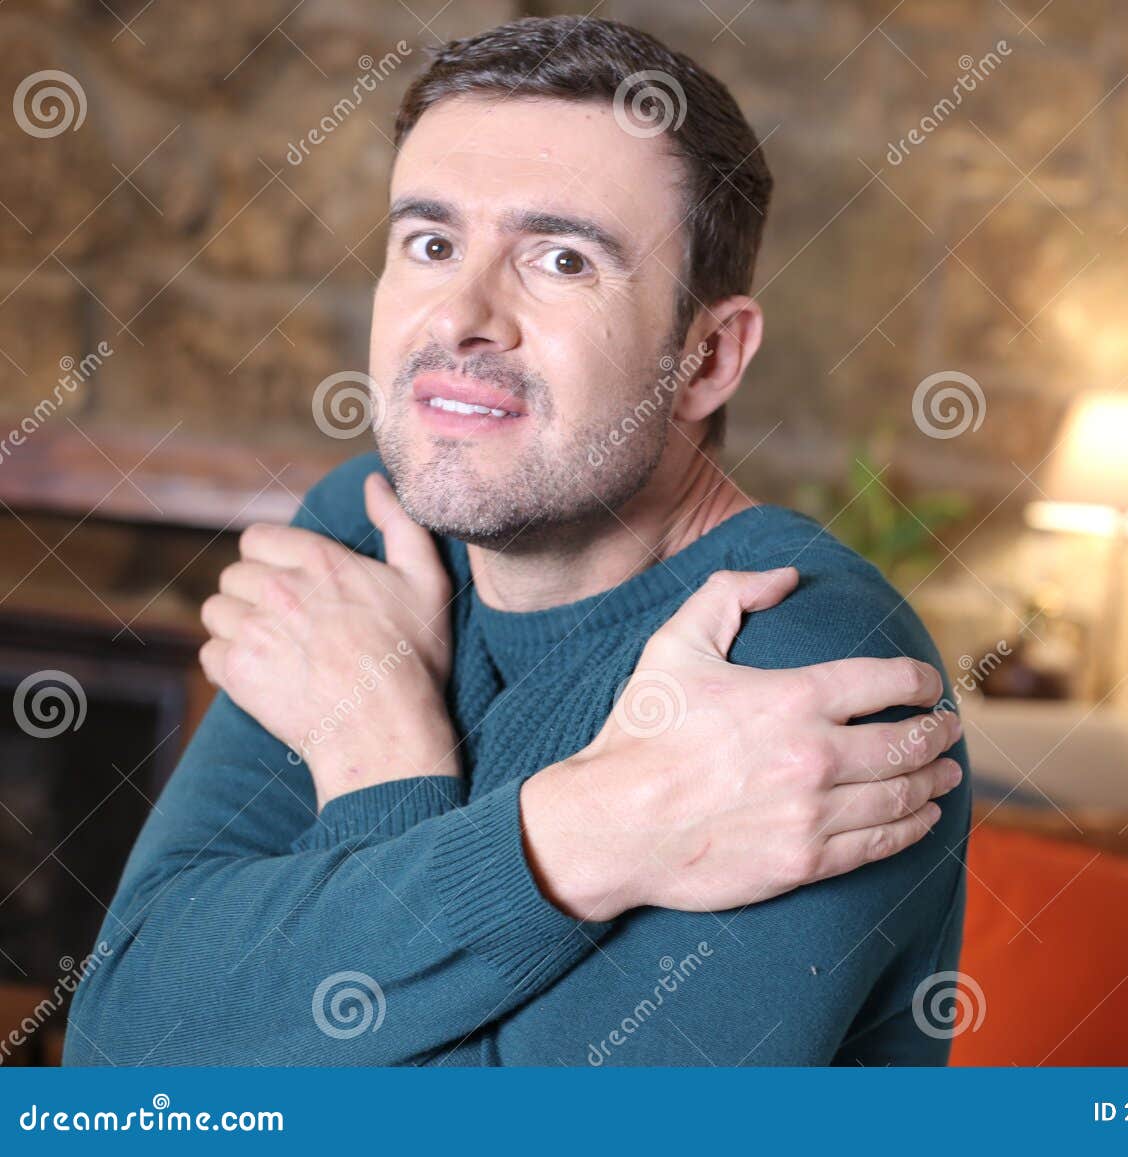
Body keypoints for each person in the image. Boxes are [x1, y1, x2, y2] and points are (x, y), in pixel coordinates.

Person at [64, 14, 969, 1067]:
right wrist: (583, 830)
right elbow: (121, 1038)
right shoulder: (369, 531)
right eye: (432, 244)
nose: (463, 316)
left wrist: (379, 785)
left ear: (709, 356)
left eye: (562, 259)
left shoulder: (800, 658)